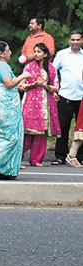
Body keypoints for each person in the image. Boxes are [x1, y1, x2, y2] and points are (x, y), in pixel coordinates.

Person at [0, 42, 30, 179]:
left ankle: (2, 170)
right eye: (8, 50)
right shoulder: (2, 65)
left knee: (0, 137)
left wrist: (18, 85)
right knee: (12, 137)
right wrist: (22, 76)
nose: (10, 53)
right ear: (1, 54)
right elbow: (8, 84)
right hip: (5, 108)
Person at [20, 43, 60, 166]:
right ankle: (16, 159)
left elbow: (56, 87)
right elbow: (21, 85)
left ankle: (36, 160)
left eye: (39, 52)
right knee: (26, 133)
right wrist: (32, 84)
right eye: (35, 51)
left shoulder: (51, 69)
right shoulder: (29, 67)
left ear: (45, 54)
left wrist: (45, 86)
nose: (36, 54)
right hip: (30, 103)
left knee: (41, 133)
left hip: (45, 104)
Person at [53, 31, 83, 165]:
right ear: (69, 40)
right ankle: (60, 156)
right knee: (63, 127)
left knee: (81, 128)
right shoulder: (62, 54)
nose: (75, 42)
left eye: (78, 40)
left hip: (82, 96)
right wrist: (55, 89)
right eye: (73, 40)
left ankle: (79, 157)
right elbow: (52, 71)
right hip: (65, 95)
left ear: (82, 41)